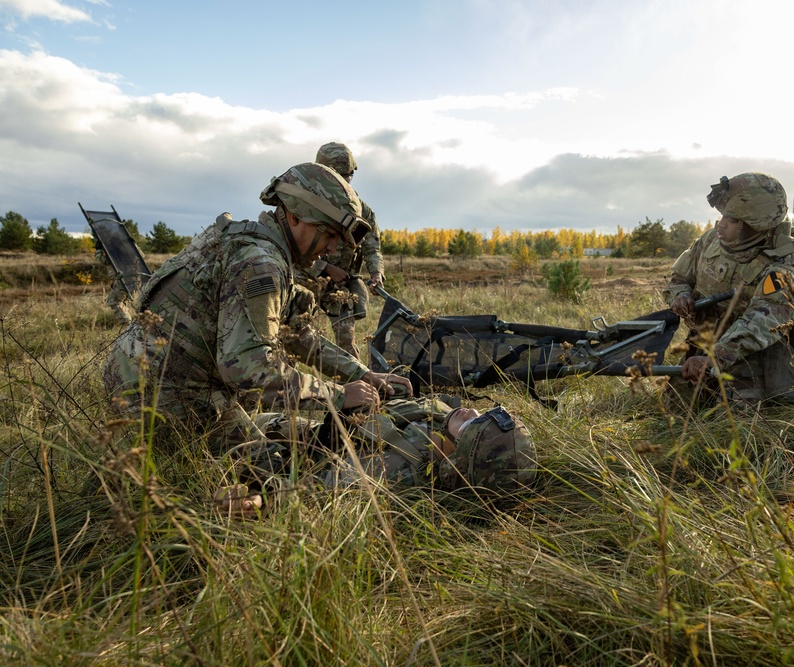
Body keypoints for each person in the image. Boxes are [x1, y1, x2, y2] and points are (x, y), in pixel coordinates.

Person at [103, 162, 411, 484]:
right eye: (330, 234)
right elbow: (249, 371)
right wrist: (337, 397)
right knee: (282, 472)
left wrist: (361, 373)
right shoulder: (260, 264)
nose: (333, 249)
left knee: (292, 433)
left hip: (143, 377)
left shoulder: (258, 245)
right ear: (294, 217)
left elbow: (297, 335)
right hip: (164, 398)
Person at [219, 398, 538, 517]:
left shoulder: (397, 474)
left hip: (301, 458)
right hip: (331, 433)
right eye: (483, 413)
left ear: (457, 456)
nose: (471, 410)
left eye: (472, 423)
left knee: (222, 416)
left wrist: (264, 502)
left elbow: (316, 494)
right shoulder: (443, 426)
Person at [664, 172, 794, 405]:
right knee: (674, 407)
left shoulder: (784, 267)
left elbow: (760, 325)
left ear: (757, 225)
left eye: (734, 220)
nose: (722, 224)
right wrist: (681, 295)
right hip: (706, 346)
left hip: (756, 357)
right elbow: (679, 277)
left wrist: (714, 358)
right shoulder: (711, 241)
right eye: (723, 215)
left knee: (734, 426)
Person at [302, 142, 385, 360]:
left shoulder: (361, 209)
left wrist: (376, 273)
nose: (344, 181)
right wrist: (325, 268)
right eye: (338, 175)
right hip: (305, 280)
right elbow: (293, 250)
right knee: (294, 336)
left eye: (348, 175)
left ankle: (357, 386)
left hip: (342, 285)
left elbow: (371, 246)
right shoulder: (304, 205)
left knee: (346, 342)